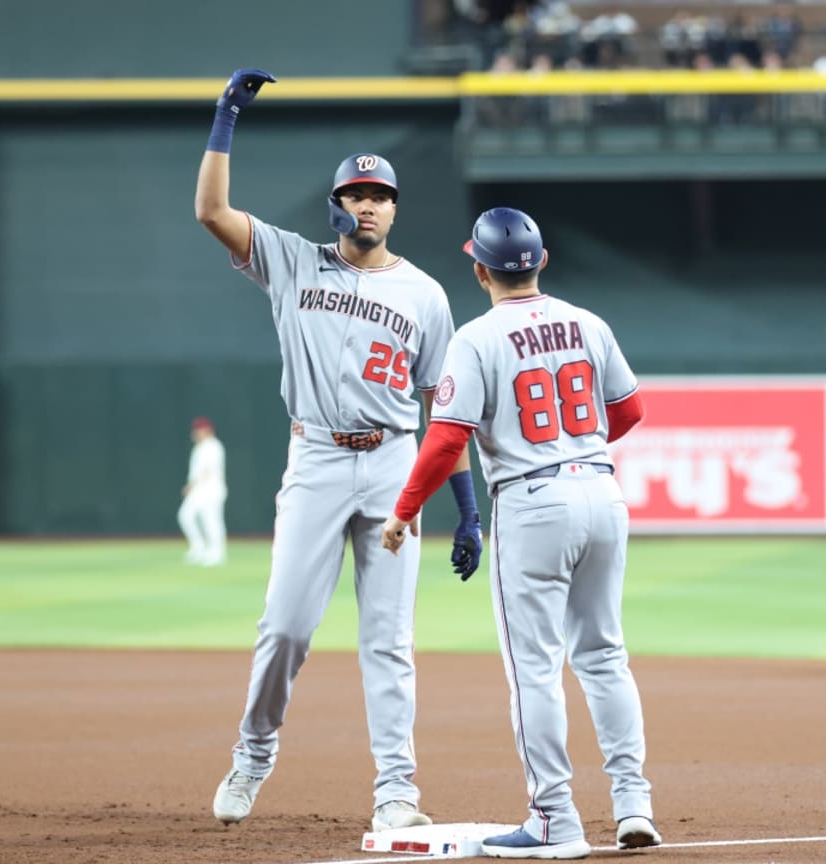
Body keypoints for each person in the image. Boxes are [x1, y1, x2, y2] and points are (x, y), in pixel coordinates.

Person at [193, 68, 484, 830]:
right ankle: (254, 753)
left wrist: (468, 509)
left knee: (389, 641)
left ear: (393, 208)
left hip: (393, 462)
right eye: (358, 194)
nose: (370, 205)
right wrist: (225, 119)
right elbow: (211, 210)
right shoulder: (292, 260)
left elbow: (443, 412)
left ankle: (397, 791)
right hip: (318, 458)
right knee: (286, 626)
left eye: (382, 195)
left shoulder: (425, 294)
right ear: (337, 204)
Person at [381, 208, 659, 858]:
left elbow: (447, 437)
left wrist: (403, 510)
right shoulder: (589, 322)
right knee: (604, 655)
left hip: (534, 504)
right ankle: (632, 805)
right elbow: (630, 410)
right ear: (540, 262)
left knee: (535, 669)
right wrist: (575, 445)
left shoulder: (476, 338)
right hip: (601, 489)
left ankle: (554, 820)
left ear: (479, 268)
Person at [178, 416, 227, 566]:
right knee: (185, 516)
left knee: (212, 521)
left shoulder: (214, 446)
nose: (196, 432)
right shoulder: (199, 447)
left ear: (207, 430)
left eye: (199, 429)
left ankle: (217, 552)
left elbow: (207, 470)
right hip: (200, 490)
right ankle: (198, 547)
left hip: (211, 489)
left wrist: (191, 485)